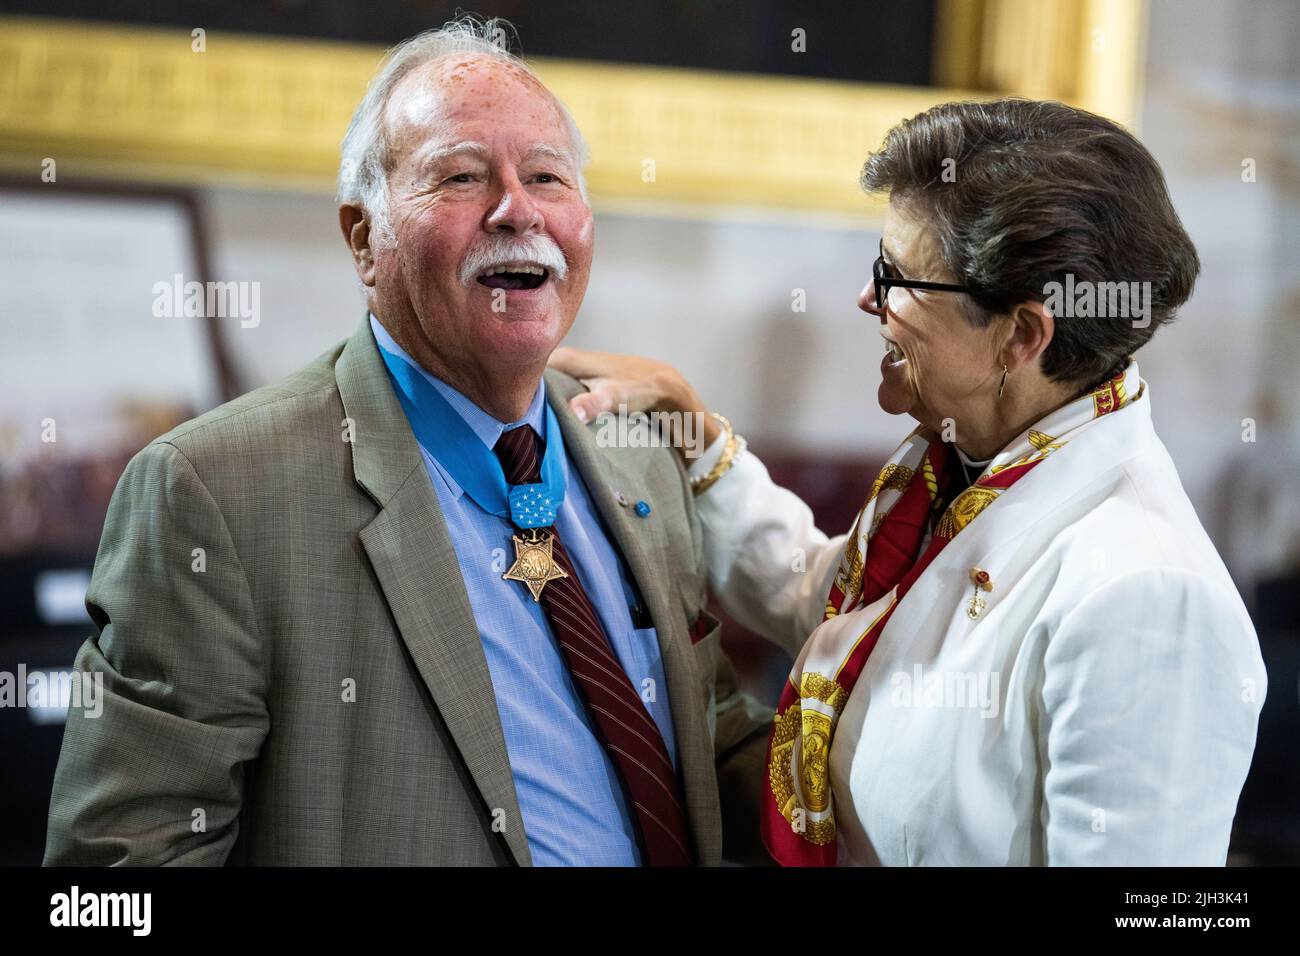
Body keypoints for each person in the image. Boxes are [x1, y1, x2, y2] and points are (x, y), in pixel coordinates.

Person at [44, 16, 770, 867]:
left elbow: (703, 733)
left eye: (547, 175)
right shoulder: (214, 493)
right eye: (460, 177)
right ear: (363, 239)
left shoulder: (637, 445)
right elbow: (120, 867)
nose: (517, 208)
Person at [551, 99, 1268, 866]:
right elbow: (833, 609)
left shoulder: (1148, 594)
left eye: (898, 279)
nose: (870, 300)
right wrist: (692, 430)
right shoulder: (961, 468)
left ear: (1021, 336)